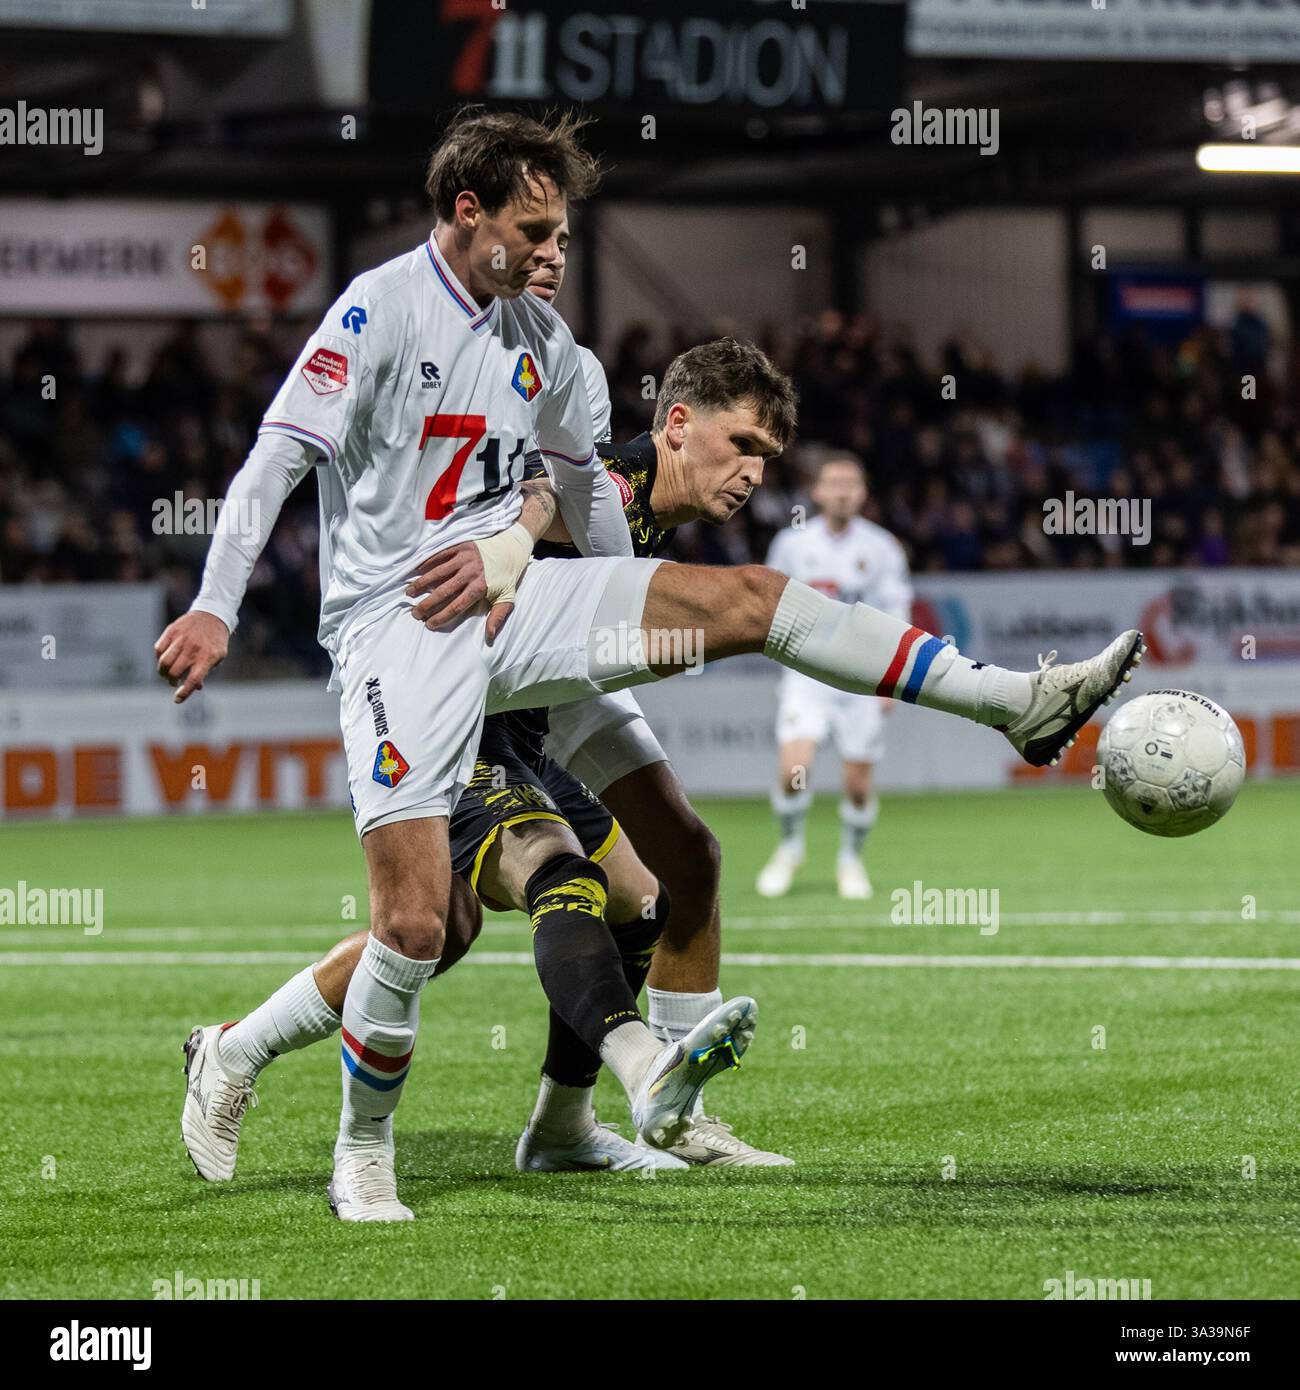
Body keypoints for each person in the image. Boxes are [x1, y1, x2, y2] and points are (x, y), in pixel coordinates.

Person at [159, 109, 1146, 1221]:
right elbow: (271, 463)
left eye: (565, 232)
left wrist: (620, 618)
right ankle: (349, 1137)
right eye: (534, 229)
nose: (554, 252)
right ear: (466, 210)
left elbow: (582, 502)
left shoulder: (553, 352)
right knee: (423, 927)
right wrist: (212, 605)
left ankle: (1010, 701)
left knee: (747, 609)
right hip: (398, 626)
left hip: (514, 610)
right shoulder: (377, 311)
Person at [181, 333, 801, 1193]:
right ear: (677, 425)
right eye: (743, 447)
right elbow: (522, 518)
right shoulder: (606, 485)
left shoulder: (638, 506)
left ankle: (561, 1125)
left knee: (616, 897)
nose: (754, 475)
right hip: (454, 715)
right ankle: (643, 1082)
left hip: (527, 726)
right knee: (552, 884)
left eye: (767, 459)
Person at [758, 453, 911, 901]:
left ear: (863, 493)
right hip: (807, 676)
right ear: (817, 491)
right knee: (794, 771)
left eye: (851, 483)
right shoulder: (791, 543)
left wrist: (892, 680)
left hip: (862, 677)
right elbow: (769, 601)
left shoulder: (882, 547)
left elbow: (897, 614)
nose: (842, 491)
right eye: (833, 482)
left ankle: (850, 860)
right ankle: (789, 848)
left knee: (857, 784)